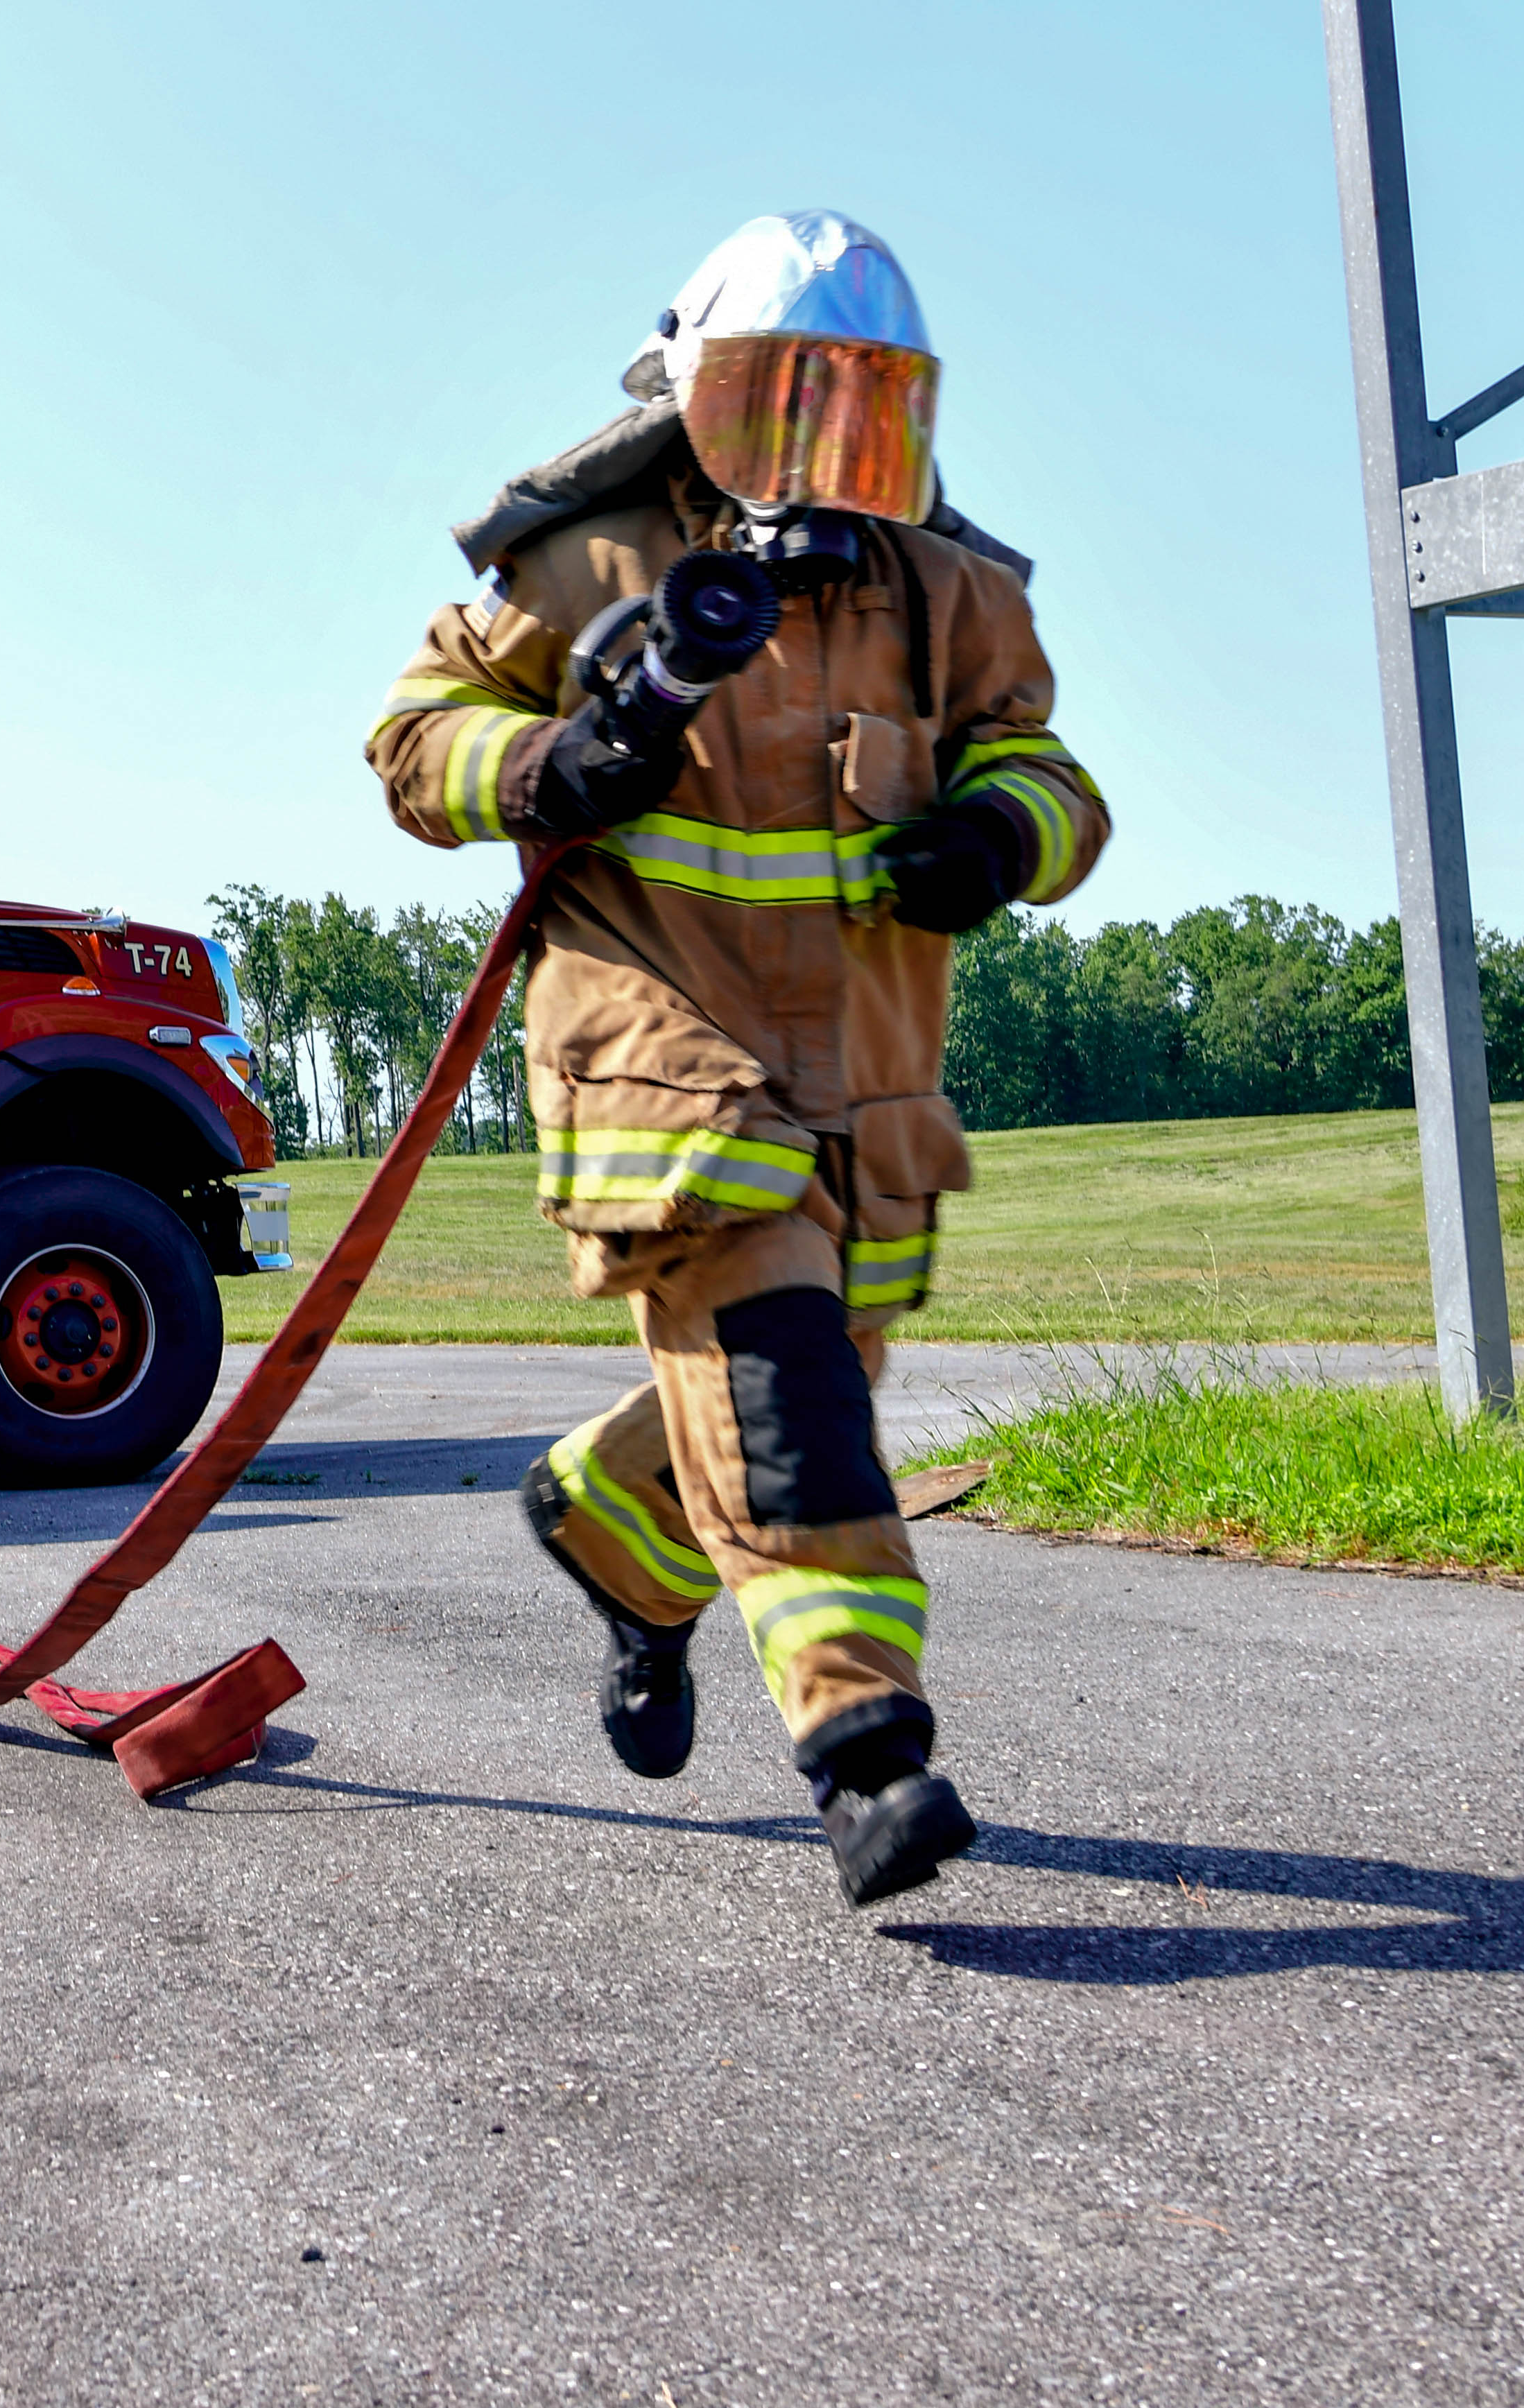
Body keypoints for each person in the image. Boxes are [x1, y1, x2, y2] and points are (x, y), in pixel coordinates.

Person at [363, 212, 1107, 1907]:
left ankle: (613, 1527)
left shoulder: (950, 596)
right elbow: (412, 740)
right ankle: (867, 1752)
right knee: (785, 1402)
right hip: (663, 1069)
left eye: (858, 403)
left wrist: (1000, 835)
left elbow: (1054, 775)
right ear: (691, 395)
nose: (818, 442)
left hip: (870, 1095)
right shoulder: (591, 562)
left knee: (804, 1377)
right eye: (782, 396)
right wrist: (557, 762)